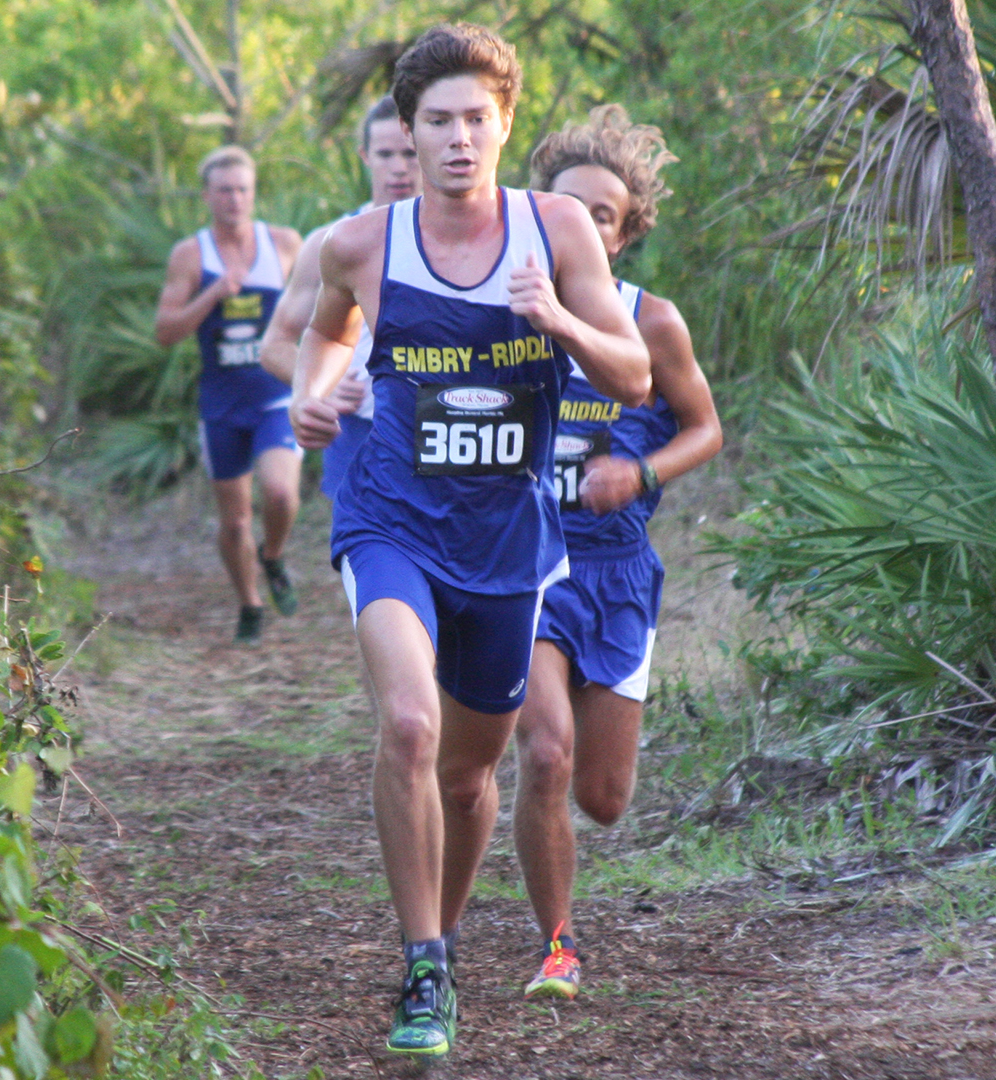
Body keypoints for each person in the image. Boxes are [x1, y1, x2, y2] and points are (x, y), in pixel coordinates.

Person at [289, 25, 651, 1058]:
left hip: (506, 539)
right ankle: (425, 967)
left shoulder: (558, 235)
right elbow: (323, 335)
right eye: (437, 121)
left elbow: (632, 379)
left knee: (466, 774)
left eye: (476, 121)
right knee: (408, 726)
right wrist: (315, 399)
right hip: (391, 518)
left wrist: (561, 322)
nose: (457, 139)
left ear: (504, 125)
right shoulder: (363, 243)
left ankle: (439, 931)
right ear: (409, 131)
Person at [512, 105, 723, 1000]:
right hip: (525, 566)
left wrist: (637, 470)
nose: (586, 224)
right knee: (547, 754)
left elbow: (705, 429)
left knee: (602, 797)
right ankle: (557, 944)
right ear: (539, 213)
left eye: (605, 213)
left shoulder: (654, 322)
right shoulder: (504, 311)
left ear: (628, 229)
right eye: (569, 207)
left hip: (619, 570)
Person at [153, 146, 306, 644]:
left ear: (254, 193)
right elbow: (165, 331)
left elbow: (319, 309)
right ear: (207, 196)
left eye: (242, 189)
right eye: (224, 190)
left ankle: (275, 555)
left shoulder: (283, 245)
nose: (234, 199)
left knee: (281, 492)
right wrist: (211, 295)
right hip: (220, 404)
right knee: (235, 520)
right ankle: (250, 604)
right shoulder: (191, 254)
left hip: (274, 395)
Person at [260, 96, 421, 503]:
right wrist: (317, 389)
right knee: (364, 559)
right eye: (386, 154)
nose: (399, 167)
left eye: (410, 153)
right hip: (359, 430)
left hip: (446, 431)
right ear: (366, 156)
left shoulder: (471, 239)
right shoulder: (331, 242)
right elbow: (275, 345)